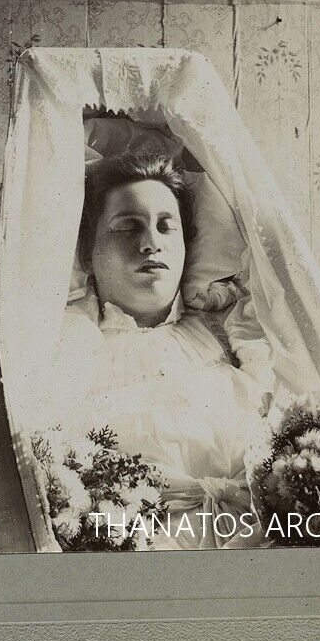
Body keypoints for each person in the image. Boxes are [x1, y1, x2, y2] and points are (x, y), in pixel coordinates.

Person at [47, 151, 279, 550]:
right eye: (127, 227)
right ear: (87, 253)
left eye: (166, 227)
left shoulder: (232, 333)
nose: (151, 244)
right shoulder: (69, 352)